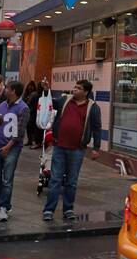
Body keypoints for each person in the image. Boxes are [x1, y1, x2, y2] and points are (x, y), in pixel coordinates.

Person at [43, 79, 102, 223]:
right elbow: (51, 103)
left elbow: (97, 128)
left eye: (78, 88)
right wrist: (46, 90)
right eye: (75, 87)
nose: (74, 90)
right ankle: (49, 210)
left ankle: (68, 209)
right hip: (60, 146)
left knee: (71, 181)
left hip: (77, 149)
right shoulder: (65, 100)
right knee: (55, 179)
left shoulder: (93, 107)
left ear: (86, 92)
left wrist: (96, 148)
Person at [0, 81, 29, 222]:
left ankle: (3, 208)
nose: (5, 90)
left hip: (12, 148)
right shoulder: (2, 105)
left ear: (14, 91)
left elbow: (20, 133)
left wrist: (8, 147)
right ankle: (2, 204)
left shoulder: (23, 108)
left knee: (7, 179)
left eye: (8, 89)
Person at [22, 80, 40, 147]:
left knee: (31, 128)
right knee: (28, 128)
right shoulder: (26, 94)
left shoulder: (34, 94)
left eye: (31, 86)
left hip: (32, 113)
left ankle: (32, 141)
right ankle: (30, 141)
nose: (30, 87)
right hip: (29, 113)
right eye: (29, 86)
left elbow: (33, 105)